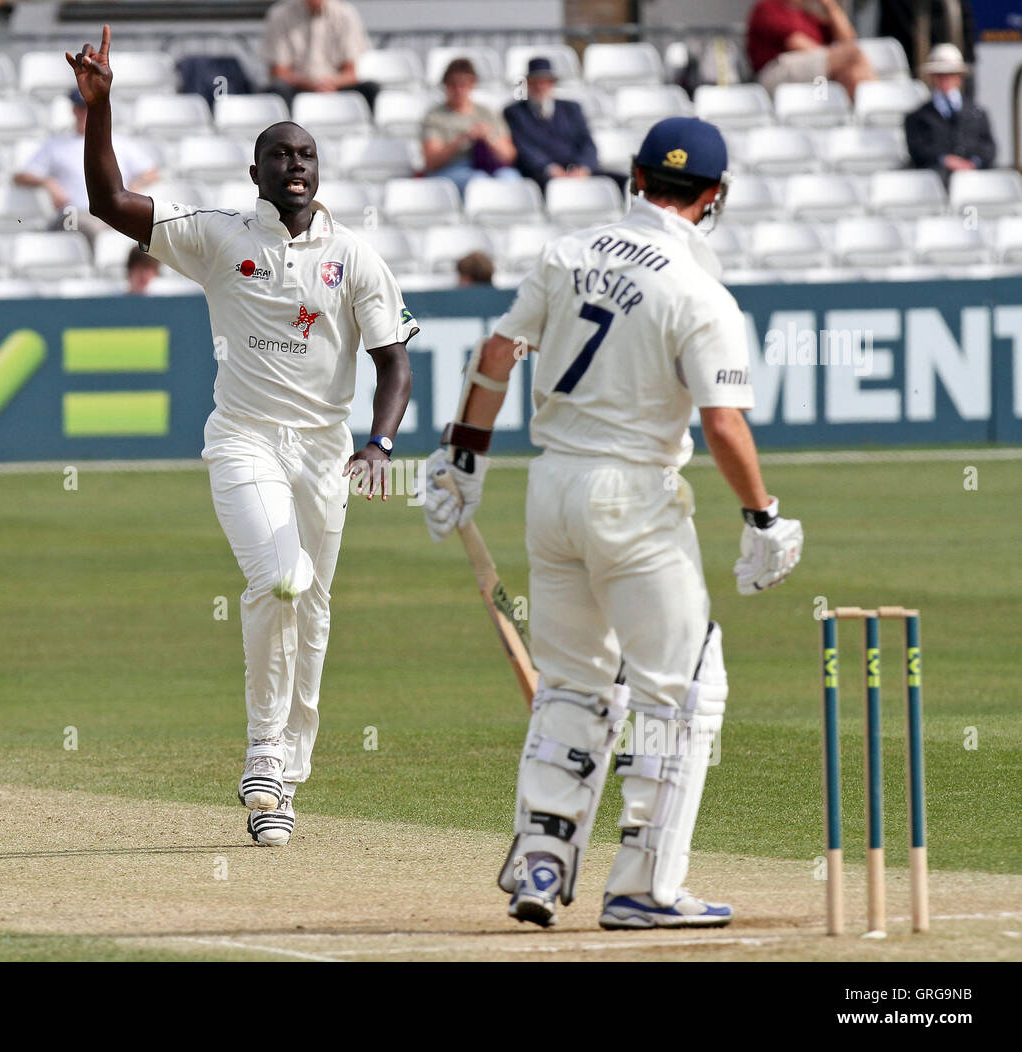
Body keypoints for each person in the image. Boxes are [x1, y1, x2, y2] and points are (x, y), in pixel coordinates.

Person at [421, 117, 803, 930]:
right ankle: (644, 886)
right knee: (683, 688)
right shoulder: (700, 289)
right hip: (633, 495)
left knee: (573, 684)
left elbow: (496, 356)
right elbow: (725, 426)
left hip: (550, 490)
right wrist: (763, 518)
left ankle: (539, 858)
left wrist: (464, 459)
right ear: (713, 196)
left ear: (634, 177)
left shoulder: (568, 253)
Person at [67, 26, 417, 847]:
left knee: (316, 609)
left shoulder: (355, 255)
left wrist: (381, 444)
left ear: (318, 172)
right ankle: (262, 753)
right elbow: (108, 203)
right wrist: (102, 106)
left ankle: (284, 780)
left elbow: (393, 364)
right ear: (255, 172)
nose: (296, 165)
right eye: (280, 154)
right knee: (281, 580)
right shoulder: (220, 236)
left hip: (327, 451)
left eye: (307, 155)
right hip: (245, 440)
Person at [15, 88, 161, 242]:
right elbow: (21, 176)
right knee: (90, 228)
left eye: (91, 108)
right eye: (82, 108)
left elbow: (152, 172)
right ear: (74, 110)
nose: (86, 113)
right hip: (74, 213)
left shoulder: (118, 143)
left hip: (111, 214)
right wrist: (47, 182)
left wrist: (136, 185)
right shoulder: (56, 145)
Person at [422, 58, 521, 196]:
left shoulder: (488, 113)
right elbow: (431, 162)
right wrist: (462, 140)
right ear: (445, 86)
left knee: (511, 179)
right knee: (478, 181)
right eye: (453, 84)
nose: (458, 89)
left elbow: (509, 156)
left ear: (472, 84)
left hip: (489, 167)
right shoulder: (435, 116)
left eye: (463, 84)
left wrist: (488, 138)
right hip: (451, 169)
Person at [905, 44, 995, 187]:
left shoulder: (977, 113)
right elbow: (918, 150)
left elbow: (989, 148)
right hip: (937, 181)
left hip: (976, 179)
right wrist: (945, 160)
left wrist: (972, 164)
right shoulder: (917, 117)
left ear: (959, 77)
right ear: (932, 77)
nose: (946, 79)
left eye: (951, 74)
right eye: (940, 75)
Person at [262, 0, 378, 112]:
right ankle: (288, 129)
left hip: (336, 86)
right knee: (278, 90)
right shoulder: (280, 14)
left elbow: (351, 73)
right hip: (298, 88)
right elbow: (279, 73)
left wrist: (329, 83)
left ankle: (370, 129)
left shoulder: (345, 13)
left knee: (371, 89)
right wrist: (309, 84)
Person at [746, 0, 875, 99]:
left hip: (811, 69)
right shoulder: (768, 7)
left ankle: (861, 122)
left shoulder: (807, 15)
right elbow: (800, 46)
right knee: (852, 56)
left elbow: (848, 40)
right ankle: (873, 107)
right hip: (775, 71)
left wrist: (831, 7)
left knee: (851, 71)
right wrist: (839, 57)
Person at [503, 57, 598, 190]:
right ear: (528, 84)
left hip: (575, 169)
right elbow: (523, 147)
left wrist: (583, 167)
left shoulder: (571, 108)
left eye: (545, 82)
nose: (541, 87)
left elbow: (587, 142)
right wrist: (548, 168)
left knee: (621, 181)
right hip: (540, 173)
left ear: (552, 84)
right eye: (536, 82)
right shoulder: (515, 112)